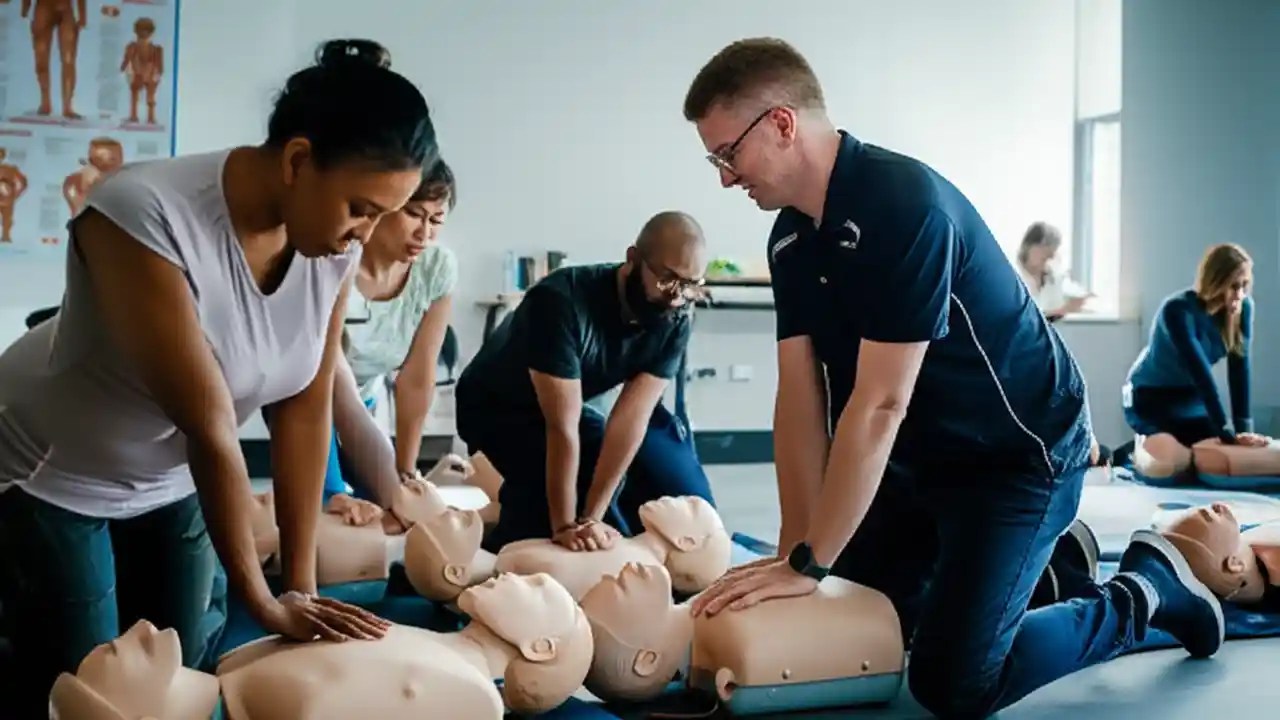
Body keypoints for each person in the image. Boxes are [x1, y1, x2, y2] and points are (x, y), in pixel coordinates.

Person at [681, 38, 1225, 718]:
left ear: (783, 124)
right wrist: (799, 551)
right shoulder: (791, 238)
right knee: (872, 623)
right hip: (919, 462)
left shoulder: (904, 206)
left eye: (726, 153)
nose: (725, 178)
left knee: (952, 681)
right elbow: (800, 397)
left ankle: (1144, 590)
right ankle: (1053, 575)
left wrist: (809, 562)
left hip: (1018, 459)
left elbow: (878, 405)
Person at [0, 38, 434, 716]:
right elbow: (206, 423)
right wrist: (258, 600)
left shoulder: (329, 245)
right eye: (360, 208)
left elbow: (304, 407)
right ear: (297, 160)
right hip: (56, 473)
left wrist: (300, 584)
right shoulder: (140, 211)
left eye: (384, 214)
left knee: (188, 670)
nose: (366, 235)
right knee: (89, 691)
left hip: (172, 475)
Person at [455, 211, 716, 553]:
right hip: (495, 409)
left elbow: (630, 421)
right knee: (555, 508)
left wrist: (592, 518)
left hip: (573, 410)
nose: (676, 295)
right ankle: (501, 544)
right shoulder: (560, 301)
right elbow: (560, 429)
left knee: (670, 492)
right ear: (633, 259)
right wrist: (565, 526)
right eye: (668, 279)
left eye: (690, 285)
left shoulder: (677, 313)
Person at [309, 159, 459, 510]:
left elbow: (417, 378)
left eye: (436, 220)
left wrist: (406, 470)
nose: (425, 234)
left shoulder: (437, 269)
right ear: (384, 204)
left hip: (365, 397)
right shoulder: (336, 258)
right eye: (414, 214)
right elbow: (333, 382)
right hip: (309, 394)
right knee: (334, 508)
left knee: (385, 504)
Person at [1122, 243, 1264, 449]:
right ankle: (1124, 455)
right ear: (1217, 282)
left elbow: (1239, 371)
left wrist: (1244, 431)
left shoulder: (1244, 308)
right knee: (1176, 456)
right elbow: (1200, 373)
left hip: (1189, 396)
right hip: (1149, 395)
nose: (1240, 294)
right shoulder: (1177, 310)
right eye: (1234, 286)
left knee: (1212, 447)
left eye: (1245, 285)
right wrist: (1225, 429)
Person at [1016, 221, 1093, 322]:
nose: (1050, 256)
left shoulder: (1056, 277)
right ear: (1029, 247)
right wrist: (1062, 311)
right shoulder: (1012, 276)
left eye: (1053, 250)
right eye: (1044, 249)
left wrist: (1081, 302)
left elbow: (1085, 298)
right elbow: (1024, 319)